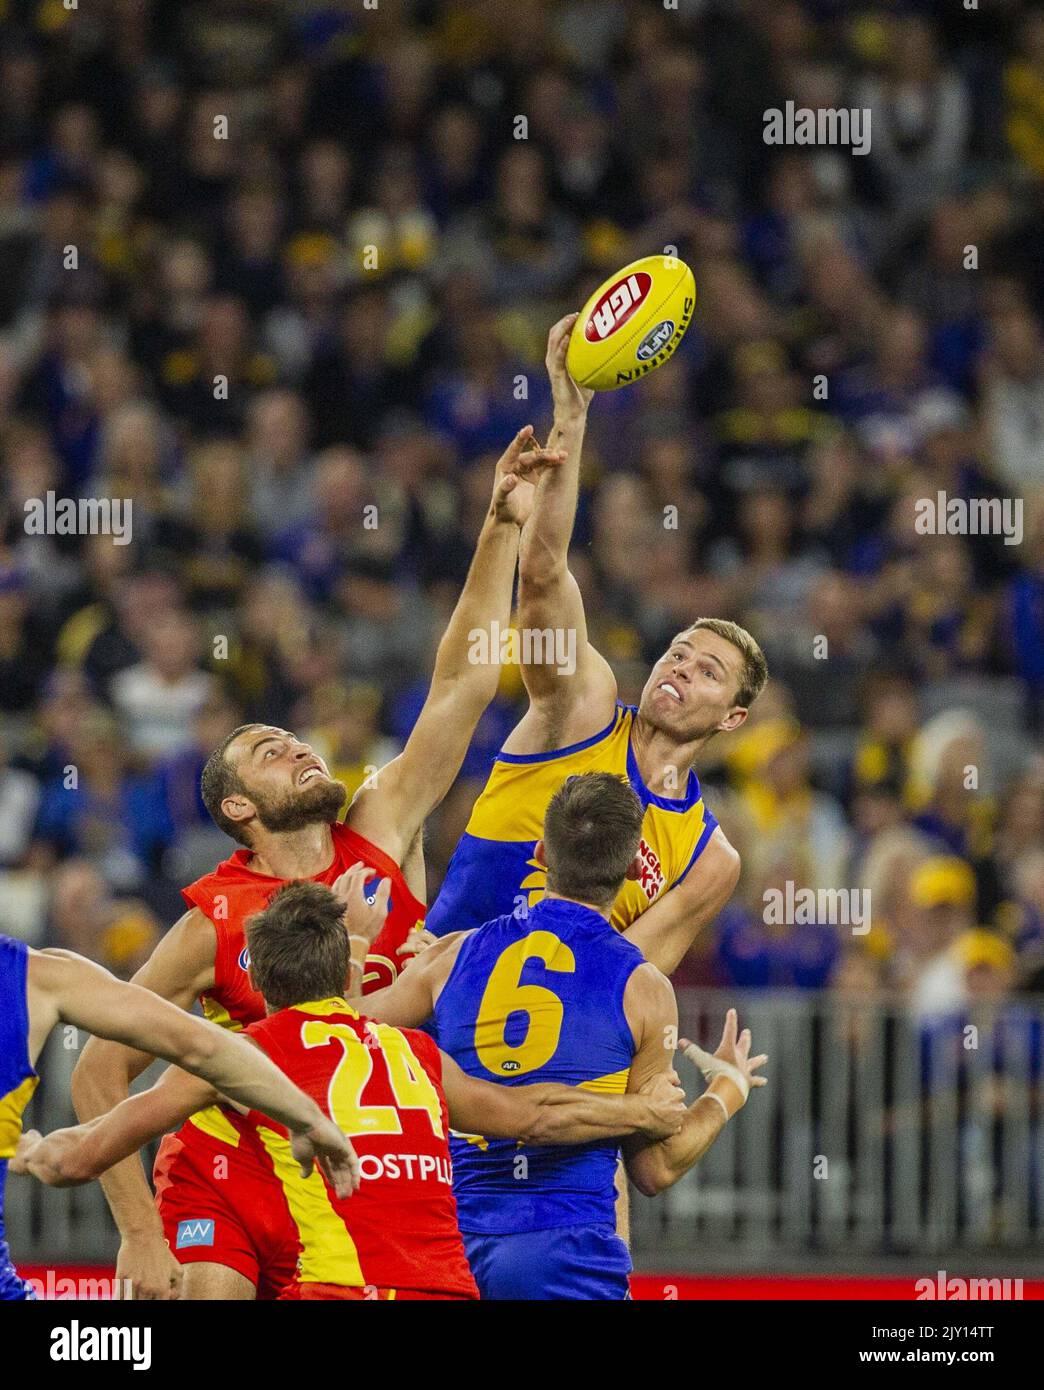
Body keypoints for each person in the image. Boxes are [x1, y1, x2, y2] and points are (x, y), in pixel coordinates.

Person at [70, 428, 567, 1300]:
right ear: (237, 809)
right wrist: (139, 1235)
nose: (298, 747)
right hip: (225, 1172)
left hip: (354, 1178)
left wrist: (499, 525)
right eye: (269, 750)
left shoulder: (383, 823)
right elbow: (99, 1070)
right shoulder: (211, 922)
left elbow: (463, 683)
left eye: (295, 738)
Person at [17, 882, 688, 1301]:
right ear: (349, 968)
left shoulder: (245, 1057)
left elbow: (92, 1151)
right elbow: (532, 1116)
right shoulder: (418, 1053)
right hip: (447, 1290)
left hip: (342, 1286)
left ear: (263, 988)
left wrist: (49, 1152)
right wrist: (641, 1110)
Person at [427, 318, 767, 984]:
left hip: (543, 1062)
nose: (680, 668)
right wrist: (572, 419)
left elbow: (628, 984)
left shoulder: (710, 859)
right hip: (429, 1016)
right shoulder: (582, 709)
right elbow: (546, 570)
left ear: (734, 718)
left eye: (708, 671)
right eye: (678, 653)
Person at [351, 772, 768, 1299]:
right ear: (638, 866)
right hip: (568, 1247)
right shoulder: (644, 989)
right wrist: (726, 1090)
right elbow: (655, 1167)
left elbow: (342, 1032)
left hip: (450, 1241)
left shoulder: (449, 955)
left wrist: (357, 944)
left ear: (541, 852)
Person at [1, 932, 358, 1302]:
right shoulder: (37, 977)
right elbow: (206, 1049)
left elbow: (206, 1051)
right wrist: (307, 1118)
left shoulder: (37, 976)